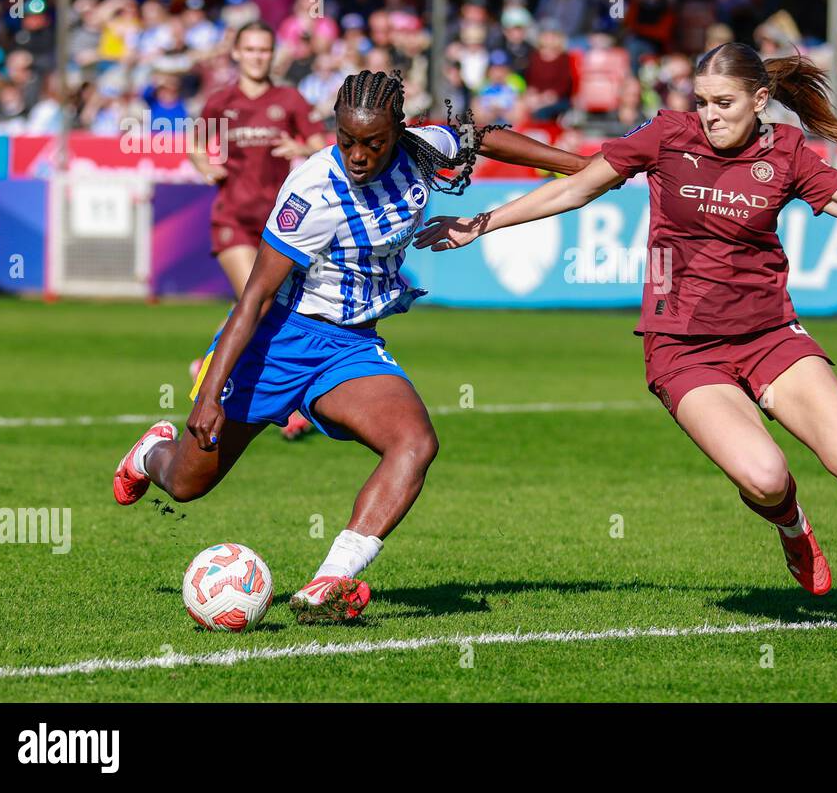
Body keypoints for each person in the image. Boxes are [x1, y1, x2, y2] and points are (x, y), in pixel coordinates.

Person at [417, 42, 837, 633]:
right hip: (681, 346)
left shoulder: (788, 152)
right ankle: (792, 527)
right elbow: (576, 186)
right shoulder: (666, 134)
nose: (710, 115)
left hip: (771, 334)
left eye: (724, 103)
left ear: (759, 100)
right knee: (767, 477)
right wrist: (483, 222)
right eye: (702, 102)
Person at [114, 69, 591, 623]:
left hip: (349, 346)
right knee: (187, 483)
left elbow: (480, 136)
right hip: (278, 339)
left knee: (414, 443)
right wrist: (208, 394)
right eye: (347, 140)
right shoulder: (310, 191)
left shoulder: (417, 151)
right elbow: (255, 298)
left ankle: (328, 582)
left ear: (398, 130)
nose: (359, 154)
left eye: (373, 142)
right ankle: (151, 453)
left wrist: (582, 169)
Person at [189, 19, 329, 439]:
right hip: (232, 216)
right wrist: (203, 164)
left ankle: (212, 364)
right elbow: (197, 143)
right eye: (249, 50)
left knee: (266, 307)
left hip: (281, 225)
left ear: (273, 54)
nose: (256, 57)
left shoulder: (288, 99)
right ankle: (262, 396)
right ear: (236, 52)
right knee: (257, 299)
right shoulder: (221, 101)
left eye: (264, 50)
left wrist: (300, 147)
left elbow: (323, 142)